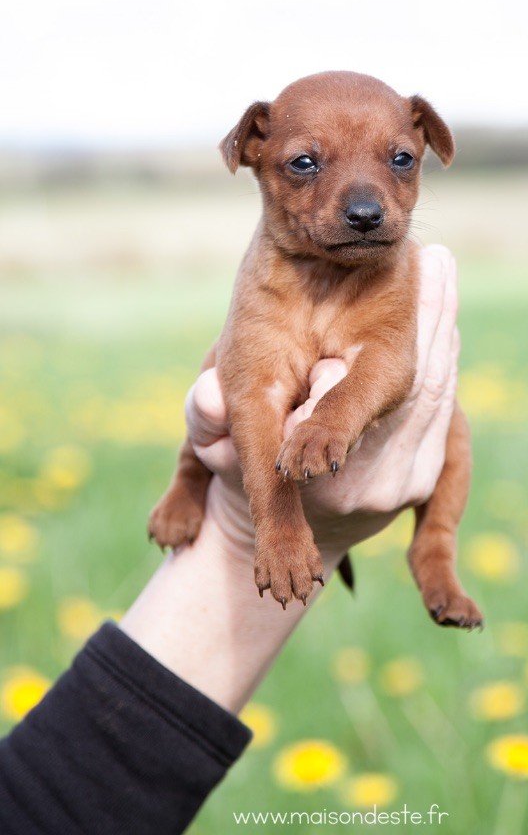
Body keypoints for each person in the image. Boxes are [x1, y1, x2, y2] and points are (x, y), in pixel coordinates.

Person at [0, 246, 461, 835]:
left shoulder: (394, 268)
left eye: (399, 177)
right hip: (253, 464)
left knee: (454, 427)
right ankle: (188, 476)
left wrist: (335, 419)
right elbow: (249, 391)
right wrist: (269, 524)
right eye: (307, 179)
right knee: (224, 374)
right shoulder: (267, 279)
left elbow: (392, 364)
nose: (367, 206)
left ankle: (435, 550)